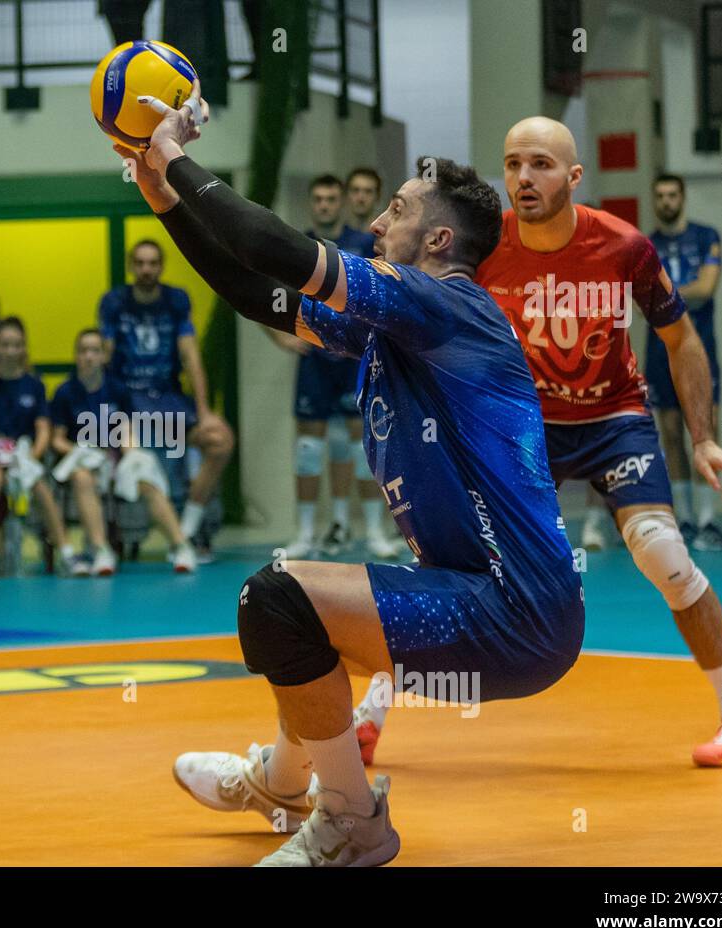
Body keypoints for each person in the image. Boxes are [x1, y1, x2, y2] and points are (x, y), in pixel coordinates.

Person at [120, 89, 583, 865]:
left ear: (437, 238)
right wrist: (166, 200)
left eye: (394, 210)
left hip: (513, 612)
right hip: (485, 600)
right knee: (303, 610)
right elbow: (259, 291)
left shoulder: (448, 305)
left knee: (277, 599)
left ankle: (351, 821)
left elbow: (278, 248)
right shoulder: (397, 321)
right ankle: (279, 781)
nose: (374, 224)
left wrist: (172, 152)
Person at [469, 117, 722, 767]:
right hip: (528, 425)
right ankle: (369, 713)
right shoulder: (483, 246)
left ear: (575, 177)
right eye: (513, 163)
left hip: (613, 419)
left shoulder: (625, 247)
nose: (524, 177)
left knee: (661, 551)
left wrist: (705, 441)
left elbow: (681, 339)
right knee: (461, 558)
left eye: (542, 164)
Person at [269, 172, 399, 560]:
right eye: (318, 199)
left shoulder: (362, 245)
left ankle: (370, 530)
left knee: (362, 448)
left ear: (341, 202)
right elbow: (270, 293)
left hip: (353, 359)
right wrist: (281, 337)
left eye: (331, 198)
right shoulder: (300, 245)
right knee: (309, 448)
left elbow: (383, 295)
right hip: (314, 362)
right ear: (311, 203)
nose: (324, 205)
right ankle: (306, 535)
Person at [98, 239, 234, 561]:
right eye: (140, 263)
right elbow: (105, 356)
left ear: (161, 266)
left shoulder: (176, 301)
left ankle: (188, 529)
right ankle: (119, 541)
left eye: (153, 263)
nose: (146, 269)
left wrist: (203, 411)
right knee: (138, 459)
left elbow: (190, 355)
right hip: (129, 404)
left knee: (221, 441)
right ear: (132, 266)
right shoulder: (114, 302)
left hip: (169, 402)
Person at [48, 328, 197, 575]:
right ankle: (101, 551)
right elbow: (57, 440)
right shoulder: (65, 393)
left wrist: (131, 455)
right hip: (84, 460)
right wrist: (83, 450)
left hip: (114, 458)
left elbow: (126, 430)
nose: (89, 356)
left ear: (103, 356)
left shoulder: (117, 389)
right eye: (83, 351)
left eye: (95, 350)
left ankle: (181, 546)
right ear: (76, 355)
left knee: (145, 480)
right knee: (82, 478)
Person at [647, 173, 722, 552]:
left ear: (682, 197)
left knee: (705, 433)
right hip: (658, 350)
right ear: (655, 201)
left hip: (700, 348)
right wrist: (675, 296)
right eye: (661, 196)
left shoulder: (707, 235)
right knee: (670, 434)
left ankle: (707, 521)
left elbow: (706, 288)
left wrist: (663, 295)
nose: (667, 201)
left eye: (672, 195)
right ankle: (682, 519)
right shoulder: (645, 245)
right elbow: (640, 298)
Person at [0, 318, 77, 580]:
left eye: (17, 345)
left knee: (40, 484)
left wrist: (31, 457)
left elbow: (43, 430)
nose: (11, 351)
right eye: (5, 345)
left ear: (24, 348)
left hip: (25, 460)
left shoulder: (34, 384)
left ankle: (66, 553)